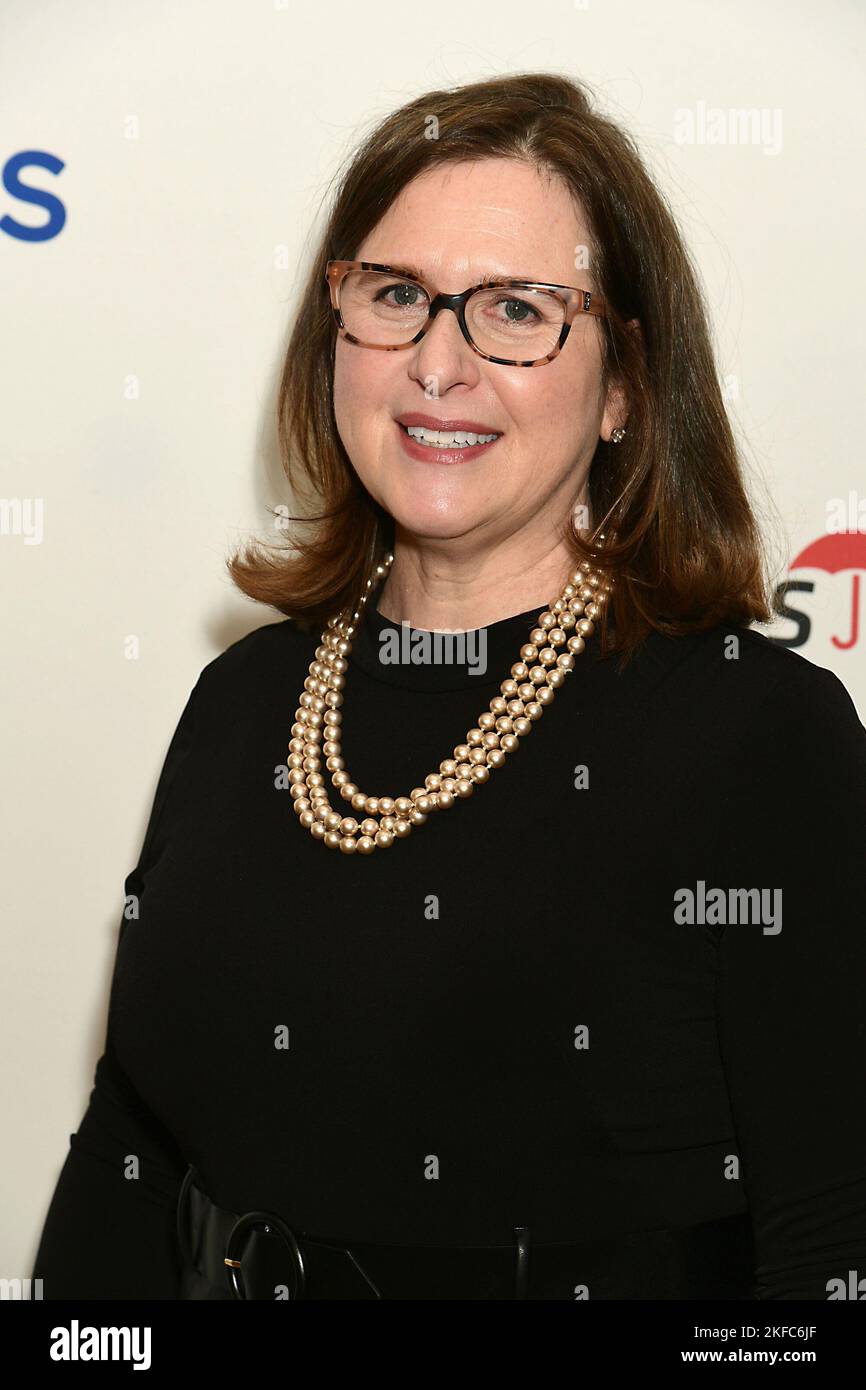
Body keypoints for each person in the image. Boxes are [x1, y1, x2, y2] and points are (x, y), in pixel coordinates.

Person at [33, 71, 866, 1301]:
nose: (436, 363)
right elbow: (132, 1146)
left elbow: (831, 1236)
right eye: (394, 296)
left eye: (516, 311)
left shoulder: (756, 734)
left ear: (626, 382)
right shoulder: (245, 702)